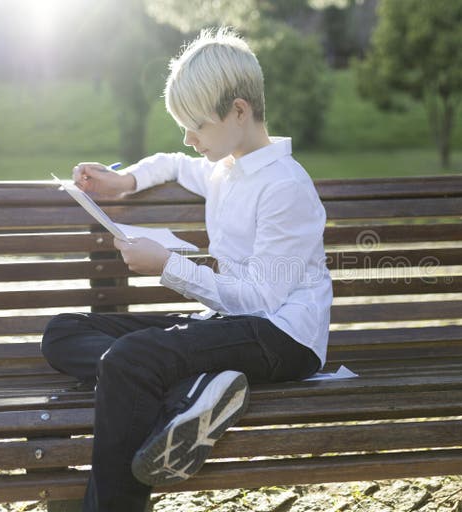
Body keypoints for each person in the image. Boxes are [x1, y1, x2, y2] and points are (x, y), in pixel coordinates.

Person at [41, 27, 332, 512]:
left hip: (283, 336)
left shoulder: (285, 187)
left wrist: (169, 266)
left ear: (239, 111)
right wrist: (125, 180)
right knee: (64, 332)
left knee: (129, 362)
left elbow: (262, 302)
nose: (188, 137)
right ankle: (192, 394)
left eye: (196, 124)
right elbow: (175, 163)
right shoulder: (226, 165)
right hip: (234, 327)